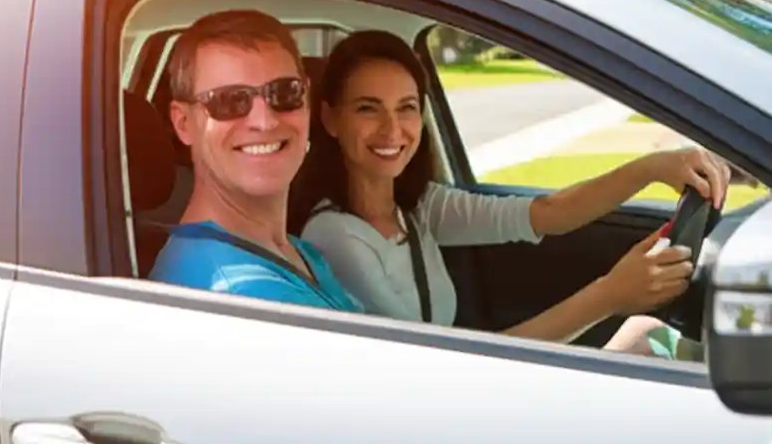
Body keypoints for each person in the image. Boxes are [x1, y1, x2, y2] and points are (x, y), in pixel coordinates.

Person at [298, 30, 730, 357]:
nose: (393, 130)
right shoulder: (336, 239)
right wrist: (609, 294)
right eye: (367, 109)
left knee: (647, 331)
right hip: (455, 405)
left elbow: (547, 214)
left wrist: (653, 167)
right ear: (331, 119)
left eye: (406, 108)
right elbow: (458, 367)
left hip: (474, 387)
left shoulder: (417, 206)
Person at [148, 9, 363, 314]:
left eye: (285, 93)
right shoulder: (240, 296)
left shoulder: (294, 251)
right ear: (184, 123)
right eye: (229, 100)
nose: (264, 121)